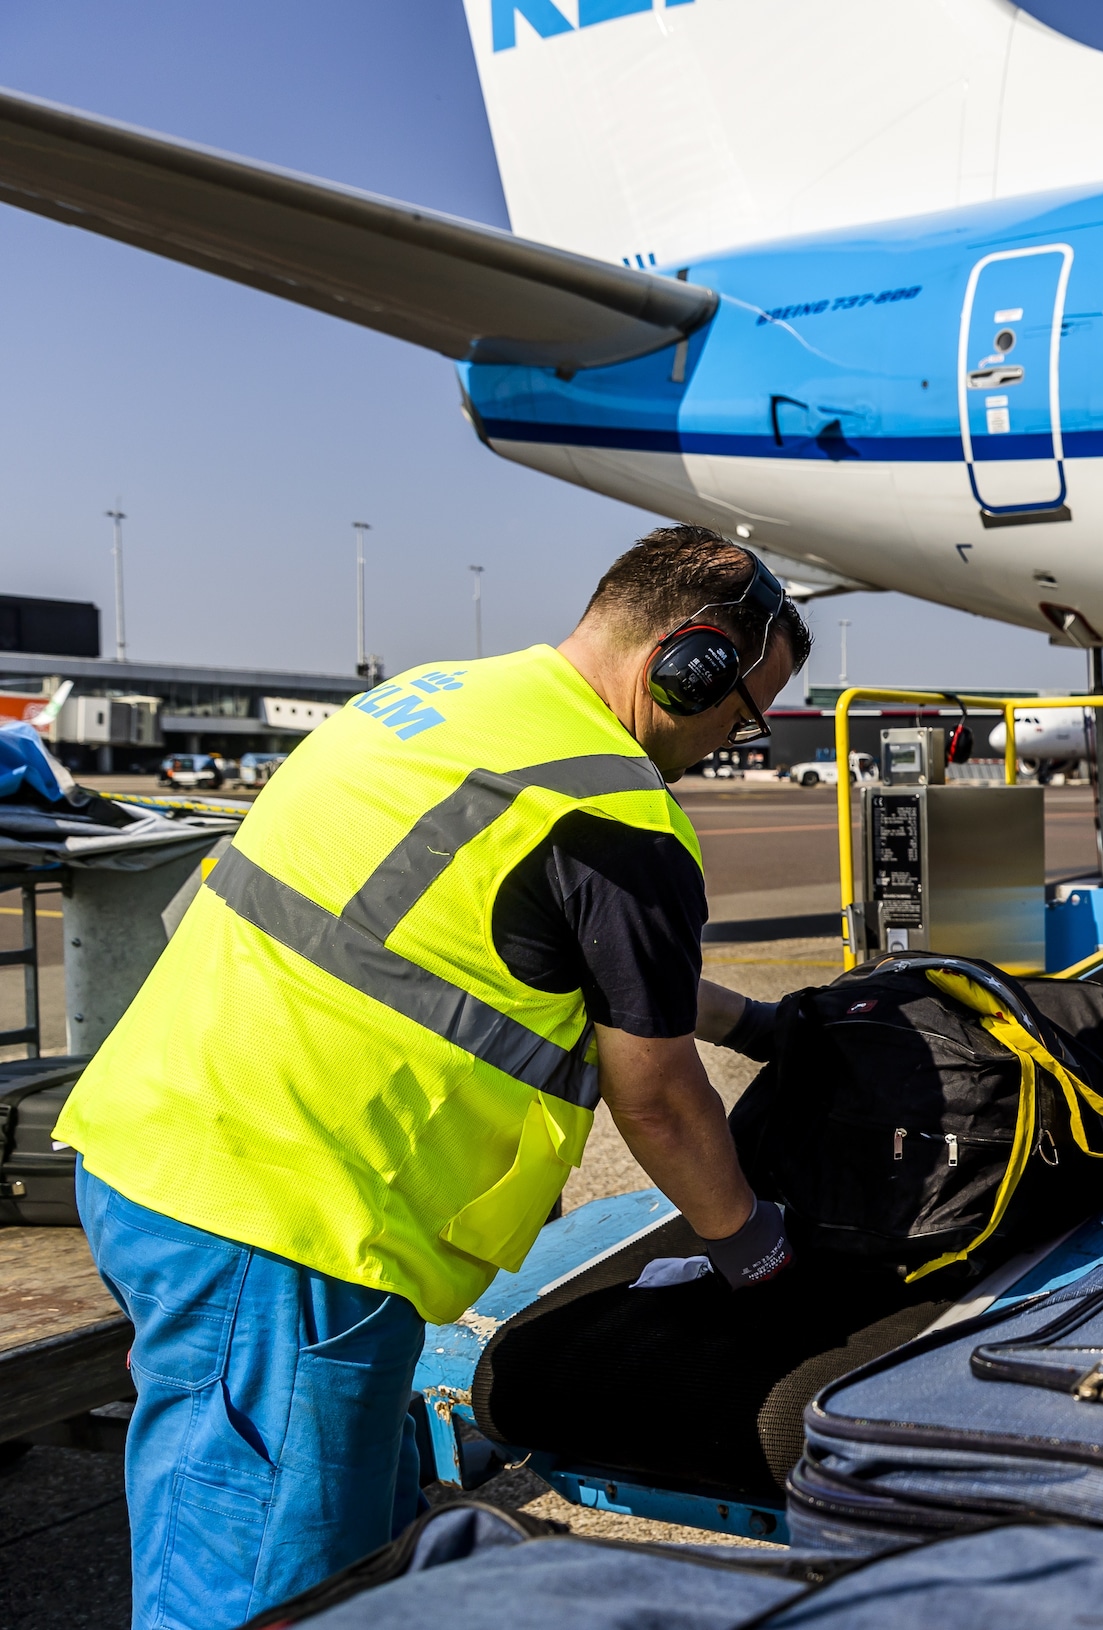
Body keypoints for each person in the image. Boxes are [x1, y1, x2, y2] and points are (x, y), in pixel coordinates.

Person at [55, 526, 810, 1628]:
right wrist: (754, 1247)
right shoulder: (614, 813)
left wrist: (753, 1021)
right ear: (687, 659)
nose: (730, 743)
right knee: (273, 1591)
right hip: (290, 1230)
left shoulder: (438, 702)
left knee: (334, 1532)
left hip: (155, 1156)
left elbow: (503, 944)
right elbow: (654, 1096)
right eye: (741, 712)